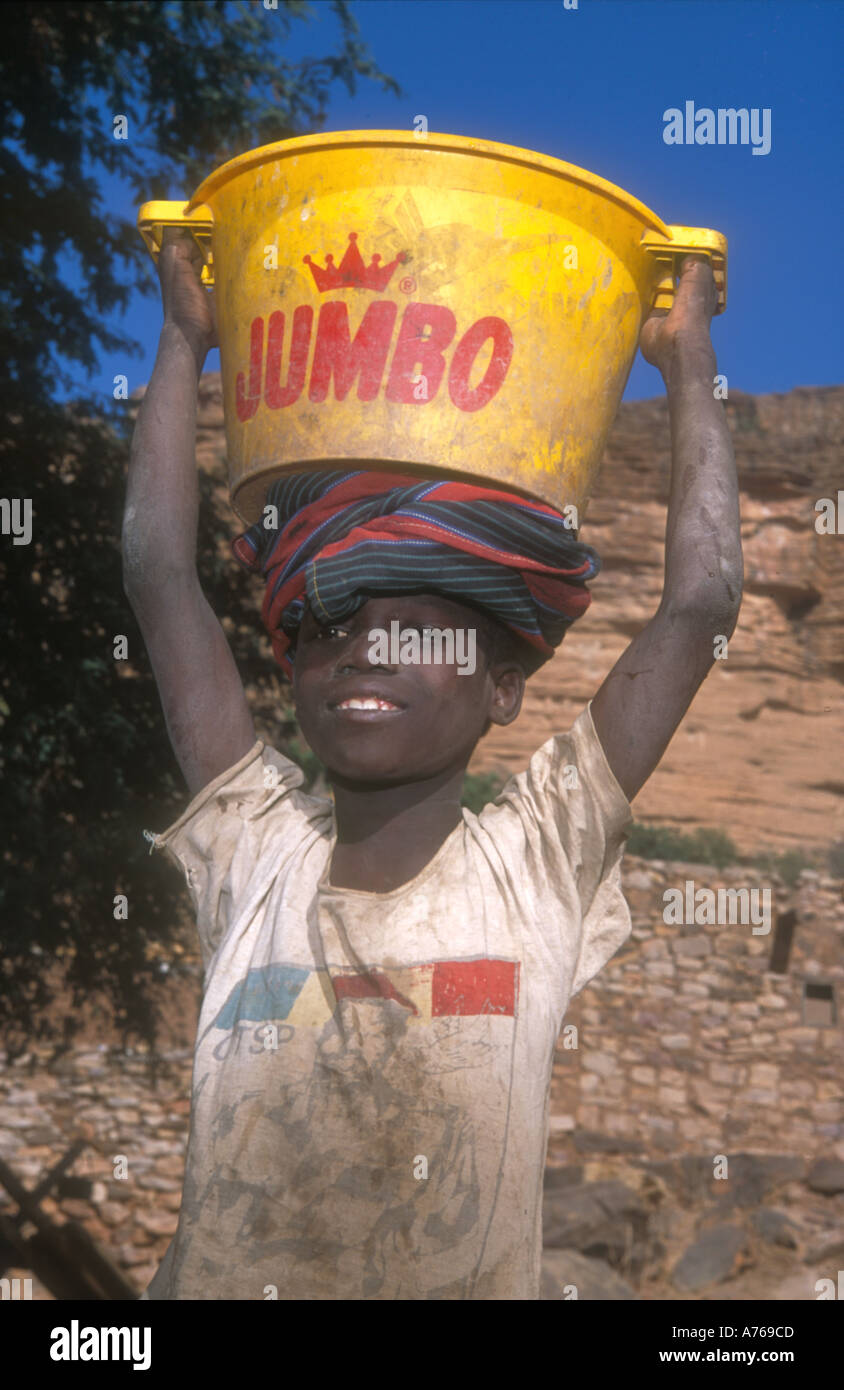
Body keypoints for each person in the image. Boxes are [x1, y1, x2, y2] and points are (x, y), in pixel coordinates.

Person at [122, 228, 742, 1300]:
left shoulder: (533, 867)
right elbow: (158, 571)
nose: (366, 649)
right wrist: (185, 339)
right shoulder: (255, 851)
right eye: (332, 625)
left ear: (500, 686)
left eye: (419, 630)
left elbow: (700, 601)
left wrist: (685, 356)